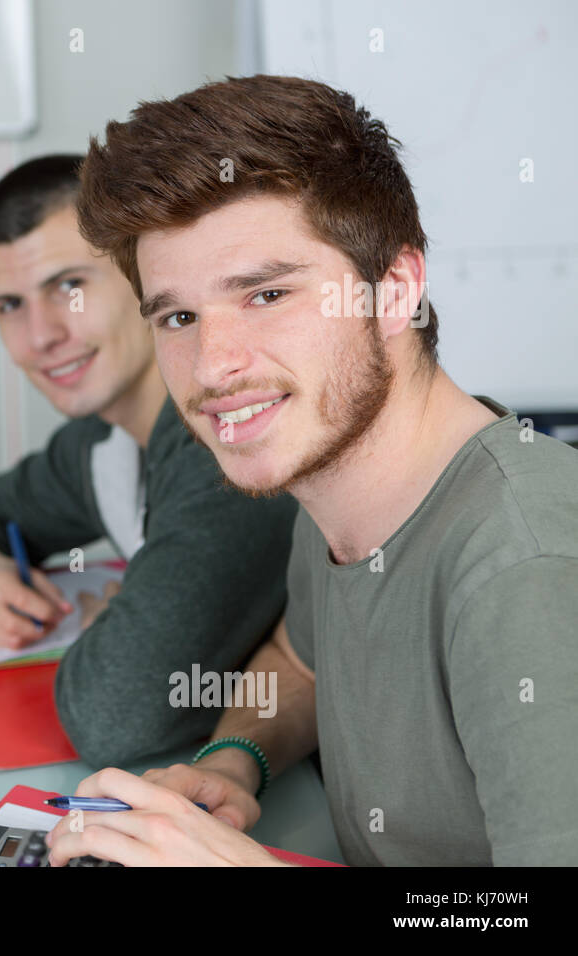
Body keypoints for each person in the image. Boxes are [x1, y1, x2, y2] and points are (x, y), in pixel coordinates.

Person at [45, 74, 578, 865]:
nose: (214, 367)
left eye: (265, 294)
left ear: (394, 291)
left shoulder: (525, 571)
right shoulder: (336, 482)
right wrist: (236, 761)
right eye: (180, 316)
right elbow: (301, 663)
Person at [0, 155, 297, 766]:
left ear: (141, 276)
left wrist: (108, 619)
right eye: (9, 305)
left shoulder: (228, 438)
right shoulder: (102, 444)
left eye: (68, 286)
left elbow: (116, 715)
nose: (40, 336)